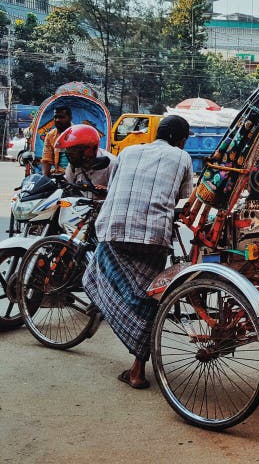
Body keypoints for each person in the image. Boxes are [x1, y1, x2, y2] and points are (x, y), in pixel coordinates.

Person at [83, 115, 194, 390]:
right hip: (153, 236)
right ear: (181, 139)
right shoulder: (182, 158)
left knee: (100, 276)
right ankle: (137, 370)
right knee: (147, 299)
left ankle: (110, 312)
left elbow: (115, 184)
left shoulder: (129, 151)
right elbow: (184, 195)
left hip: (114, 229)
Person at [55, 124, 117, 194]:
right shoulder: (74, 164)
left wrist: (107, 192)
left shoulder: (112, 164)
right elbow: (68, 187)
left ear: (90, 149)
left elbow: (119, 194)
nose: (70, 154)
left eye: (74, 150)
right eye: (68, 150)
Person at [41, 106, 72, 176]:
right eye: (55, 117)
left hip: (76, 175)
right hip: (58, 174)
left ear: (69, 118)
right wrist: (45, 178)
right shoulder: (50, 135)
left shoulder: (78, 133)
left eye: (61, 117)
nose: (57, 120)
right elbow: (46, 159)